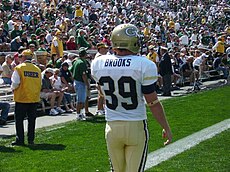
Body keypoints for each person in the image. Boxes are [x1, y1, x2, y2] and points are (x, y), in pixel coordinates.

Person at [91, 24, 172, 172]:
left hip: (112, 127)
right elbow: (152, 102)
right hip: (135, 125)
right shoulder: (145, 64)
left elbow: (101, 91)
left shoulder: (98, 63)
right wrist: (165, 126)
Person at [11, 49, 42, 146]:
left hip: (22, 98)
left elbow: (15, 83)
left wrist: (13, 88)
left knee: (19, 120)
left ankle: (20, 139)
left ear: (23, 57)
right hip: (34, 98)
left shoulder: (19, 68)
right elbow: (40, 84)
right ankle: (31, 140)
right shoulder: (37, 69)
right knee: (31, 120)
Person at [70, 47, 90, 120]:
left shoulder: (76, 61)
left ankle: (80, 113)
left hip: (76, 81)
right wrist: (87, 84)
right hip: (80, 82)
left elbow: (71, 70)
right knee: (80, 100)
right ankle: (78, 114)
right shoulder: (81, 62)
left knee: (81, 99)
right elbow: (83, 75)